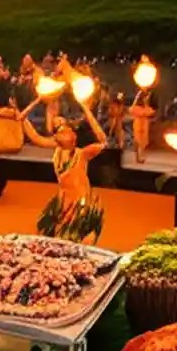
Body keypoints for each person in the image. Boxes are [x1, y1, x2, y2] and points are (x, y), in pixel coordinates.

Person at [19, 96, 107, 244]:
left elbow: (103, 141)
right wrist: (33, 104)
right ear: (56, 137)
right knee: (51, 238)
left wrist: (86, 109)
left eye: (65, 130)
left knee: (79, 240)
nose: (62, 132)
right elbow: (34, 136)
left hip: (80, 204)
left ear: (74, 136)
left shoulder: (82, 154)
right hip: (62, 203)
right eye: (59, 130)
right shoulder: (57, 152)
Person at [128, 91, 156, 163]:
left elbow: (151, 112)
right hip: (138, 124)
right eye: (144, 98)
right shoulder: (136, 108)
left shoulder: (145, 107)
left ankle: (140, 157)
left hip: (144, 124)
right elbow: (131, 110)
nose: (145, 99)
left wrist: (146, 102)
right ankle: (139, 157)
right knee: (138, 140)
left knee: (143, 141)